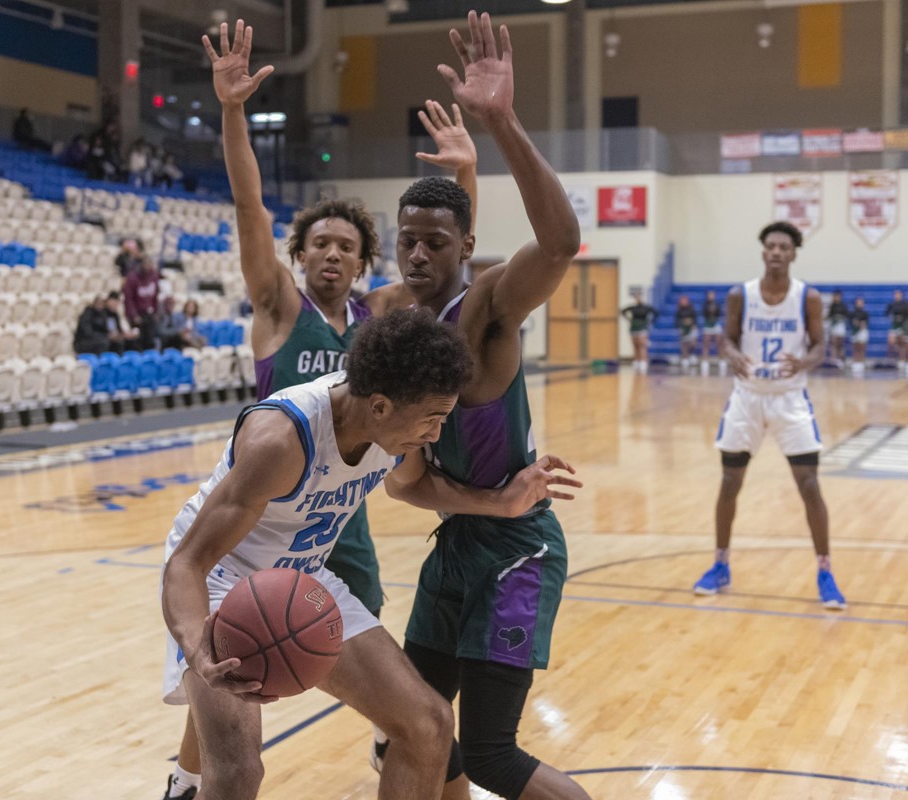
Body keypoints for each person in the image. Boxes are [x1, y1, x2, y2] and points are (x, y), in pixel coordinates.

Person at [158, 20, 481, 797]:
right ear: (302, 256)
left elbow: (450, 272)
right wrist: (234, 112)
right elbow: (249, 205)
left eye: (347, 246)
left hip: (327, 531)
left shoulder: (387, 330)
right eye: (320, 245)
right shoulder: (278, 309)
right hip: (244, 540)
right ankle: (186, 775)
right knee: (237, 764)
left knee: (424, 722)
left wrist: (464, 176)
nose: (332, 255)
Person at [161, 308, 582, 800]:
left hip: (302, 578)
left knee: (428, 723)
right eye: (432, 420)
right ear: (380, 406)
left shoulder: (392, 429)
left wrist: (500, 503)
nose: (435, 434)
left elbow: (413, 486)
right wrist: (196, 647)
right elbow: (187, 562)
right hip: (224, 579)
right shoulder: (281, 439)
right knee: (237, 771)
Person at [362, 13, 593, 799]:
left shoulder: (491, 305)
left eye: (435, 240)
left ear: (465, 245)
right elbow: (405, 482)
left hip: (521, 549)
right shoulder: (393, 319)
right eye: (406, 241)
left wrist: (500, 124)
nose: (419, 253)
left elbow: (561, 242)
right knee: (412, 727)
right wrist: (486, 506)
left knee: (491, 753)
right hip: (463, 540)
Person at [693, 221, 845, 610]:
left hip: (790, 397)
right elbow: (726, 338)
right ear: (763, 252)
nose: (776, 252)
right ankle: (720, 564)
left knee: (809, 484)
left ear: (793, 253)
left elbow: (818, 345)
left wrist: (804, 362)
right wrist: (731, 354)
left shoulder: (806, 297)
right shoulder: (739, 295)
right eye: (771, 246)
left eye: (784, 247)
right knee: (729, 482)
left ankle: (825, 571)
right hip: (747, 397)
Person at [124, 254, 161, 350]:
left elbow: (155, 296)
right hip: (137, 313)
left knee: (150, 339)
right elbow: (128, 299)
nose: (148, 266)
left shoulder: (154, 276)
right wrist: (134, 314)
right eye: (146, 263)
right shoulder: (132, 278)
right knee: (138, 340)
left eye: (150, 264)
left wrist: (156, 312)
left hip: (149, 313)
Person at [621, 294, 658, 374]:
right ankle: (637, 361)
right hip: (634, 327)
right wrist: (629, 319)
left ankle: (643, 362)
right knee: (635, 345)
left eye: (640, 298)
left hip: (642, 328)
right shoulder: (633, 307)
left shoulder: (646, 308)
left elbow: (656, 313)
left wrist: (650, 321)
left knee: (642, 345)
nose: (638, 299)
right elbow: (623, 311)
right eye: (637, 298)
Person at [700, 289, 724, 376]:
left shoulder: (717, 304)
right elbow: (703, 313)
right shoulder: (705, 305)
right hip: (708, 324)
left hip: (716, 324)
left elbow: (720, 313)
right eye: (710, 295)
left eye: (712, 295)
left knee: (719, 342)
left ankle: (722, 361)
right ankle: (705, 361)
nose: (711, 296)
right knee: (706, 343)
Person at [884, 289, 908, 373]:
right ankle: (892, 359)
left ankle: (903, 360)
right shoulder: (892, 304)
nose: (897, 296)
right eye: (895, 294)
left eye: (898, 294)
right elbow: (886, 314)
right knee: (891, 341)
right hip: (894, 326)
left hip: (903, 326)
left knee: (903, 343)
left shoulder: (905, 305)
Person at [675, 294, 699, 370]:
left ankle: (692, 355)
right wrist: (681, 327)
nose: (684, 302)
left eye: (685, 300)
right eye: (682, 301)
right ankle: (685, 358)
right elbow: (676, 322)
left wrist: (693, 325)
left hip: (691, 328)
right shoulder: (679, 311)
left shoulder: (691, 310)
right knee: (684, 344)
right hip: (683, 329)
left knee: (693, 343)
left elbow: (695, 319)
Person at [827, 289, 849, 365]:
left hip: (841, 326)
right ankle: (833, 359)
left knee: (841, 343)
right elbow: (829, 316)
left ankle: (841, 359)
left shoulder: (843, 306)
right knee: (833, 343)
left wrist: (840, 318)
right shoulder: (832, 306)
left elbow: (847, 315)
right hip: (834, 326)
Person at [849, 297, 869, 376]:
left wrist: (862, 324)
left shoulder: (865, 313)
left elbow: (866, 323)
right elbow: (851, 322)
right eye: (858, 302)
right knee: (855, 347)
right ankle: (855, 362)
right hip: (855, 331)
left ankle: (861, 362)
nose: (859, 303)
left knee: (862, 347)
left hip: (862, 331)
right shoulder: (853, 313)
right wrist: (855, 324)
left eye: (861, 302)